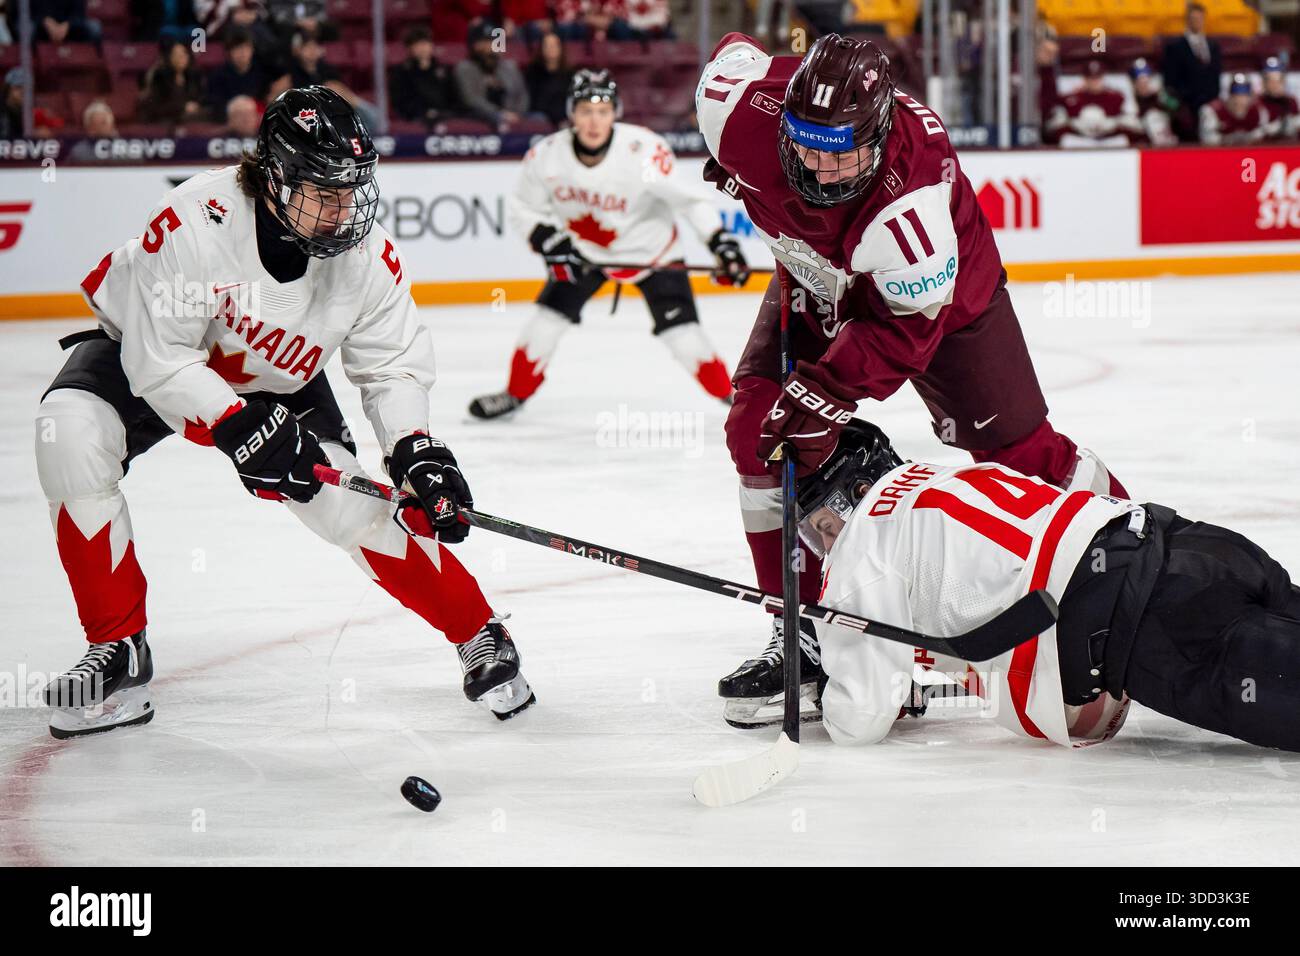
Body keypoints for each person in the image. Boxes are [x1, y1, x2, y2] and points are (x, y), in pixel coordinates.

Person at [35, 87, 536, 739]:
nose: (343, 210)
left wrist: (416, 451)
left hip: (276, 378)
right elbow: (159, 362)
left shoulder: (367, 257)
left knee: (351, 505)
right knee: (70, 431)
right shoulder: (193, 219)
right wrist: (241, 428)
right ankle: (119, 648)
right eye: (324, 192)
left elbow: (390, 365)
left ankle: (481, 634)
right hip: (153, 354)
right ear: (274, 175)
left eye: (352, 190)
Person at [695, 32, 1125, 727]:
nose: (818, 169)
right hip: (816, 278)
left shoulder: (913, 201)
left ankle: (1123, 536)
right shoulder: (734, 111)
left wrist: (824, 396)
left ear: (879, 132)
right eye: (803, 146)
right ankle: (798, 628)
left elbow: (904, 331)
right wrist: (731, 167)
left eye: (840, 154)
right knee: (756, 432)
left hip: (944, 306)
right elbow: (734, 49)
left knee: (1016, 449)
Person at [797, 421, 1300, 753]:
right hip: (1196, 547)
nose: (824, 543)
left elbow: (861, 718)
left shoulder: (863, 542)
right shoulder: (941, 475)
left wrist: (827, 695)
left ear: (856, 492)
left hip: (1152, 621)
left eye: (820, 523)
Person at [466, 69, 750, 420]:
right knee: (544, 324)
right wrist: (545, 237)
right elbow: (522, 207)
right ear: (572, 113)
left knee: (685, 339)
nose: (594, 121)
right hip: (588, 256)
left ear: (615, 112)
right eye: (585, 110)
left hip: (654, 255)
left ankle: (734, 399)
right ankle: (514, 394)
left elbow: (690, 201)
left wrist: (720, 242)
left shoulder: (643, 151)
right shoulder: (547, 156)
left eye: (602, 111)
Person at [452, 18, 530, 130]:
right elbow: (472, 100)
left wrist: (518, 114)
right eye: (487, 41)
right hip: (481, 117)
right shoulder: (465, 68)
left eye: (495, 41)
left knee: (539, 119)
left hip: (515, 115)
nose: (492, 46)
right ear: (475, 45)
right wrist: (500, 114)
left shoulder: (509, 67)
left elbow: (523, 95)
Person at [1044, 58, 1140, 148]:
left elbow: (1132, 125)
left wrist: (1112, 124)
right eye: (1091, 78)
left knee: (1122, 140)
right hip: (1079, 140)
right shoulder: (1070, 98)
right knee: (1066, 140)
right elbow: (1055, 126)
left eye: (1097, 77)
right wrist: (1075, 124)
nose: (1094, 82)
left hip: (1109, 140)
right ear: (1084, 78)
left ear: (1103, 77)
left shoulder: (1117, 97)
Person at [1162, 3, 1222, 125]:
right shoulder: (1175, 47)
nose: (1197, 22)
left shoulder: (1213, 46)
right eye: (1193, 19)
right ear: (1187, 20)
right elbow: (1170, 79)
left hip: (1210, 103)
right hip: (1187, 105)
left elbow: (1215, 74)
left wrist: (1215, 98)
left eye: (1200, 18)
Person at [388, 25, 458, 128]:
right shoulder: (401, 72)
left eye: (425, 43)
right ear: (409, 48)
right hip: (414, 119)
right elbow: (400, 102)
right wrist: (423, 112)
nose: (422, 48)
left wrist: (442, 112)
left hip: (444, 116)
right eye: (417, 45)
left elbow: (454, 98)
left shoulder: (444, 70)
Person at [205, 27, 277, 122]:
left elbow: (266, 100)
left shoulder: (263, 73)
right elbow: (215, 106)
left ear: (252, 49)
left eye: (246, 47)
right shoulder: (218, 76)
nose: (242, 53)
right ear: (229, 52)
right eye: (237, 48)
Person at [138, 38, 207, 129]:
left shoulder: (193, 77)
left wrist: (195, 106)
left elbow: (200, 98)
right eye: (177, 55)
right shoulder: (160, 77)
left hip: (190, 118)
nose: (182, 58)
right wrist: (183, 107)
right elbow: (157, 106)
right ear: (170, 57)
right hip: (166, 120)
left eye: (184, 54)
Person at [1200, 73, 1269, 145]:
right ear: (1228, 97)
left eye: (1244, 96)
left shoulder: (1259, 110)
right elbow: (1207, 138)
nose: (1239, 100)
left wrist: (1247, 138)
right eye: (1235, 96)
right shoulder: (1212, 110)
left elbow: (1263, 134)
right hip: (1221, 153)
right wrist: (1227, 139)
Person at [1129, 58, 1183, 146]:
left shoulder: (1162, 95)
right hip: (1145, 143)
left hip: (1169, 141)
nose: (1144, 85)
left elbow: (1177, 109)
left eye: (1146, 80)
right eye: (1139, 81)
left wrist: (1162, 98)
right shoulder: (1131, 99)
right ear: (1133, 83)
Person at [524, 30, 572, 128]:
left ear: (561, 48)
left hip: (564, 119)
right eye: (547, 45)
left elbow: (571, 101)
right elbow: (533, 103)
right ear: (541, 49)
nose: (551, 48)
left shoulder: (570, 74)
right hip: (542, 117)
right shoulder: (533, 72)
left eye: (554, 45)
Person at [1260, 57, 1299, 142]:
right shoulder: (1258, 103)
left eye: (1278, 80)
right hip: (1265, 148)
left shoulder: (1291, 101)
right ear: (1264, 83)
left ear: (1284, 81)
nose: (1275, 85)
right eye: (1270, 80)